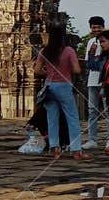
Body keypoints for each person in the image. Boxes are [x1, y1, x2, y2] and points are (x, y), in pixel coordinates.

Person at [34, 25, 83, 158]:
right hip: (64, 85)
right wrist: (65, 71)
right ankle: (76, 149)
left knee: (52, 118)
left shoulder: (45, 51)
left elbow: (37, 70)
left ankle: (54, 148)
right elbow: (77, 70)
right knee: (72, 117)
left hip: (49, 86)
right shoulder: (68, 50)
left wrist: (48, 73)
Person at [79, 15, 108, 151]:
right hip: (92, 79)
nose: (96, 29)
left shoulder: (108, 41)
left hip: (105, 80)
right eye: (93, 27)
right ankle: (92, 139)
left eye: (98, 27)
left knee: (108, 111)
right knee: (92, 111)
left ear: (103, 27)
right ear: (91, 28)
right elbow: (88, 63)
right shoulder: (90, 42)